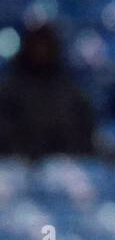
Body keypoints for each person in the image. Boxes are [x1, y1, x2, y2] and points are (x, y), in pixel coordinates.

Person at [0, 22, 98, 158]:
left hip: (66, 164)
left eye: (45, 45)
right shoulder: (9, 89)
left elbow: (84, 127)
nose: (40, 50)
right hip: (18, 165)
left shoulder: (69, 89)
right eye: (36, 45)